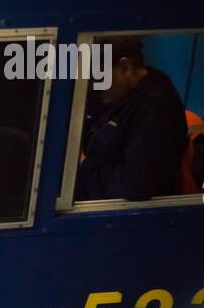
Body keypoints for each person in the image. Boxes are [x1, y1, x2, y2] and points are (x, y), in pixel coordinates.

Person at [76, 36, 188, 202]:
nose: (94, 85)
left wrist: (85, 165)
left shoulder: (156, 109)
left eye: (99, 77)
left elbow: (134, 187)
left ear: (126, 68)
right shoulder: (123, 93)